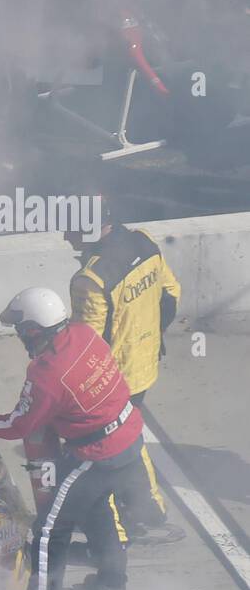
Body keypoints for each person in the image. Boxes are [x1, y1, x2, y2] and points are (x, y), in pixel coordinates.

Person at [0, 287, 145, 590]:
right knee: (98, 512)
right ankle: (112, 588)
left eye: (20, 330)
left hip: (95, 456)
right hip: (131, 439)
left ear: (32, 331)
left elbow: (18, 425)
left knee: (49, 534)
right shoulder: (84, 333)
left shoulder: (46, 373)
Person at [70, 201, 182, 541]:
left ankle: (129, 521)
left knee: (114, 448)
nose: (65, 236)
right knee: (131, 437)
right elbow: (171, 295)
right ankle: (149, 512)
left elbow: (85, 346)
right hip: (146, 363)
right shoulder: (144, 242)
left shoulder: (90, 278)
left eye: (70, 228)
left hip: (114, 379)